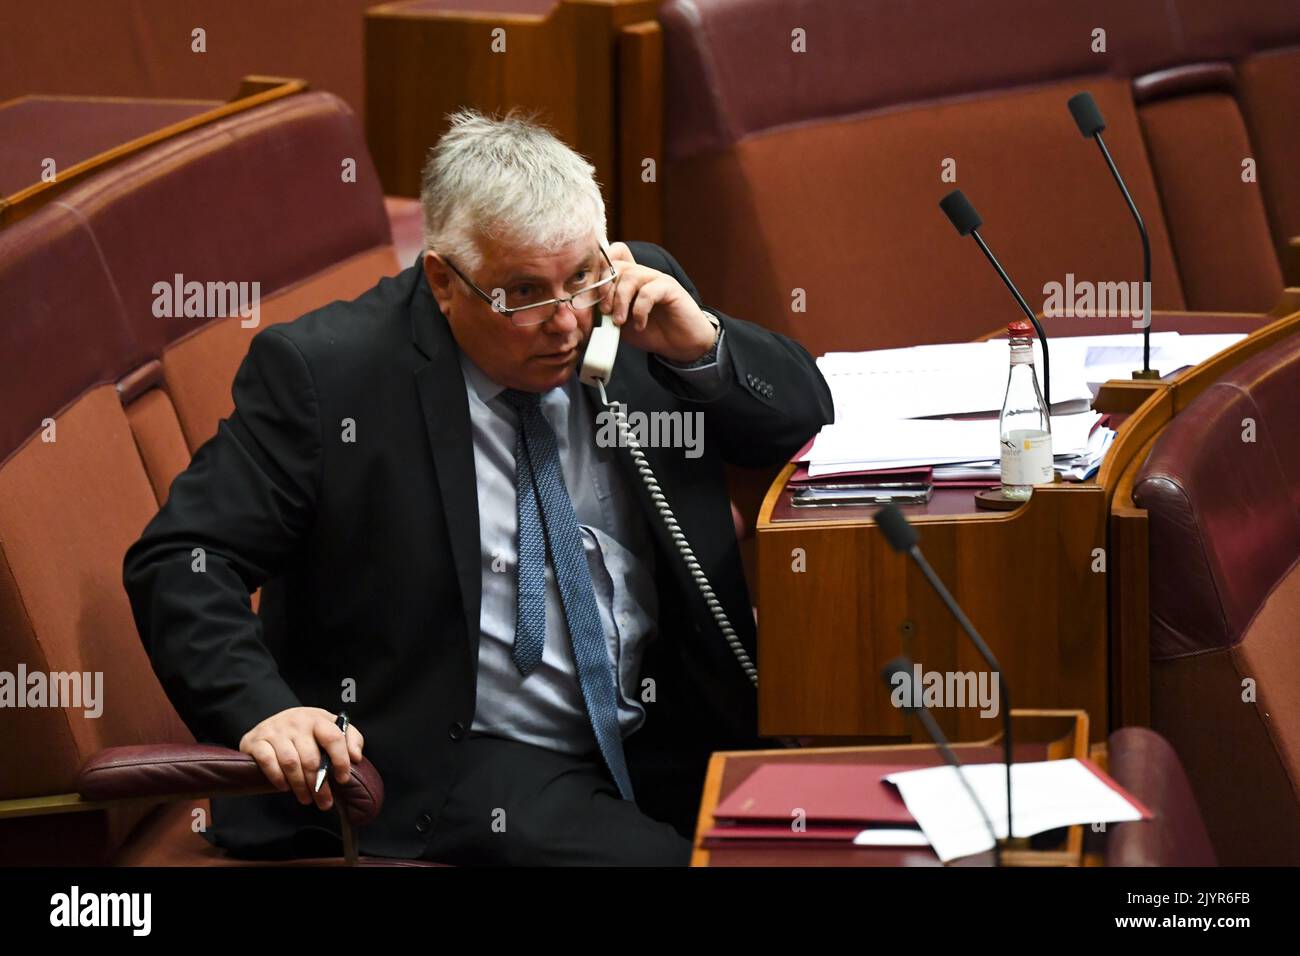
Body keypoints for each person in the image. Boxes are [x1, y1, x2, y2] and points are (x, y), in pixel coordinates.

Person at [123, 109, 834, 865]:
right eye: (524, 294)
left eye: (581, 280)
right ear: (442, 279)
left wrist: (704, 349)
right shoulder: (331, 375)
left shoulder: (632, 304)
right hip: (470, 758)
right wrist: (265, 711)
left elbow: (801, 420)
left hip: (663, 720)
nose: (564, 323)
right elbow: (183, 557)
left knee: (836, 842)